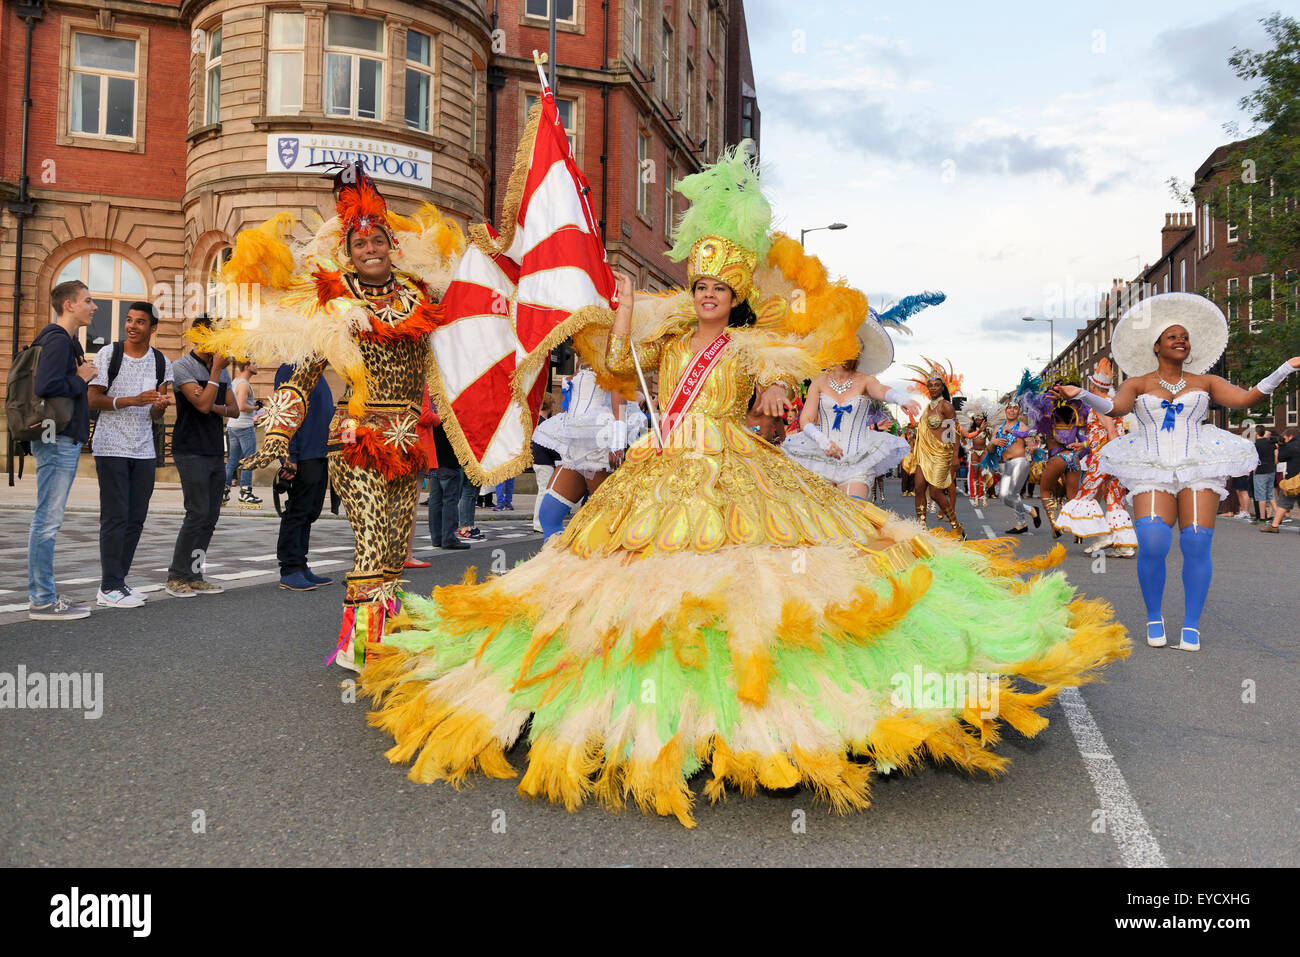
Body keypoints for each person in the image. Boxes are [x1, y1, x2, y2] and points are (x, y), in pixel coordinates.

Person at [357, 143, 1128, 827]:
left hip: (732, 467)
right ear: (691, 288)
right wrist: (624, 314)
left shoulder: (750, 346)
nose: (706, 296)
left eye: (718, 289)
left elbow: (778, 378)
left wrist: (771, 394)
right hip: (661, 467)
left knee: (750, 586)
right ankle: (637, 717)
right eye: (699, 286)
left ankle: (770, 720)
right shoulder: (661, 338)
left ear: (732, 297)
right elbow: (619, 373)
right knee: (636, 591)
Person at [205, 164, 467, 670]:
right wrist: (278, 435)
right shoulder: (333, 302)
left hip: (407, 441)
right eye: (359, 243)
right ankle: (362, 649)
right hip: (358, 441)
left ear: (391, 244)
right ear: (348, 251)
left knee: (392, 547)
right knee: (370, 540)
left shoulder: (421, 296)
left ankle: (376, 635)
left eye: (377, 241)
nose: (370, 249)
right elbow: (301, 376)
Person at [1056, 292, 1298, 651]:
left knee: (1196, 541)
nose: (1181, 340)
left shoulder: (1205, 382)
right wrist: (1082, 394)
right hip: (1151, 466)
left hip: (1196, 465)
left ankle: (1191, 624)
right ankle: (1154, 616)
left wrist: (1287, 367)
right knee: (1153, 542)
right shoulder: (1137, 383)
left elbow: (1247, 399)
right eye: (1173, 336)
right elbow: (1116, 408)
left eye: (1185, 336)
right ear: (1157, 346)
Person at [88, 300, 173, 607]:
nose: (132, 326)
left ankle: (118, 582)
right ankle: (108, 586)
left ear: (152, 328)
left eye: (139, 322)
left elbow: (154, 416)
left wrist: (157, 407)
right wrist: (131, 400)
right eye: (129, 320)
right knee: (115, 517)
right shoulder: (109, 354)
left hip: (144, 450)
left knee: (136, 518)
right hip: (110, 446)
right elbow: (92, 400)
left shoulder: (162, 362)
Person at [27, 280, 97, 621]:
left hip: (59, 437)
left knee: (48, 519)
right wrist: (81, 378)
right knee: (47, 521)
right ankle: (41, 599)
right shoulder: (57, 339)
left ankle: (45, 593)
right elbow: (46, 385)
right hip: (56, 440)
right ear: (69, 305)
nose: (94, 306)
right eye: (88, 300)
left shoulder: (66, 341)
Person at [780, 348, 916, 500]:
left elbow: (880, 389)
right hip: (820, 458)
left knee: (853, 511)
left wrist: (899, 398)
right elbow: (806, 420)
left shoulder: (866, 380)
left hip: (856, 462)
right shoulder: (819, 382)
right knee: (822, 514)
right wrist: (822, 441)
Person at [531, 360, 646, 540]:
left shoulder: (612, 357)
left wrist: (616, 443)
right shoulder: (583, 358)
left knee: (603, 520)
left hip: (600, 445)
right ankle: (559, 563)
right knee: (548, 515)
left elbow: (619, 406)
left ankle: (605, 565)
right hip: (575, 446)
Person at [167, 316, 237, 597]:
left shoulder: (222, 372)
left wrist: (210, 401)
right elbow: (203, 404)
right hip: (190, 449)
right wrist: (215, 376)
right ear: (197, 337)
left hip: (213, 449)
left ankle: (195, 574)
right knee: (196, 512)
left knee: (210, 515)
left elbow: (232, 410)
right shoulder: (182, 366)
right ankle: (176, 576)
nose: (218, 343)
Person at [1054, 361, 1137, 558]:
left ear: (1092, 386)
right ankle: (1124, 545)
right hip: (1111, 458)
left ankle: (1104, 537)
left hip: (1104, 458)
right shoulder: (1111, 404)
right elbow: (1102, 433)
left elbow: (1110, 431)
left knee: (1086, 495)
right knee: (1115, 500)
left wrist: (1114, 455)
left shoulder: (1100, 406)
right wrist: (1083, 445)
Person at [274, 362, 336, 590]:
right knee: (298, 511)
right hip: (303, 454)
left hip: (320, 451)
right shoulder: (290, 368)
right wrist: (289, 456)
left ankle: (301, 564)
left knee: (310, 511)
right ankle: (289, 569)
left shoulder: (317, 371)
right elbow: (285, 413)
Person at [985, 401, 1042, 535]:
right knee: (1005, 497)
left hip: (1020, 462)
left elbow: (1032, 446)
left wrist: (1031, 449)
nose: (1011, 411)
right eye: (1009, 408)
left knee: (1010, 494)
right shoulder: (997, 428)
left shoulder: (1023, 428)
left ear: (1019, 412)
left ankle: (1026, 516)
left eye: (1015, 408)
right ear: (1005, 411)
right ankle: (1024, 520)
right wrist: (993, 442)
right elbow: (989, 449)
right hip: (1005, 465)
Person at [426, 393, 470, 550]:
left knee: (435, 500)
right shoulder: (452, 412)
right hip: (450, 462)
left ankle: (437, 537)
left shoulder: (431, 410)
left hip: (434, 461)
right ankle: (449, 538)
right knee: (450, 500)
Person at [224, 361, 263, 507]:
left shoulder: (235, 381)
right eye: (254, 363)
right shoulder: (244, 384)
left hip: (233, 425)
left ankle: (223, 491)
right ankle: (246, 493)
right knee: (250, 459)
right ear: (247, 367)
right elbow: (240, 406)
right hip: (244, 427)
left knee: (232, 460)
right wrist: (255, 407)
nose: (257, 365)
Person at [1261, 427, 1300, 533]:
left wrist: (1281, 447)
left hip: (1293, 480)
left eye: (1285, 438)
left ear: (1290, 436)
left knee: (1283, 502)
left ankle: (1274, 526)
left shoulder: (1291, 446)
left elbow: (1281, 458)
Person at [530, 395, 559, 533]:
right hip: (543, 461)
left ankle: (541, 521)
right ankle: (538, 523)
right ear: (549, 405)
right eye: (553, 403)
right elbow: (544, 444)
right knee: (543, 491)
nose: (554, 405)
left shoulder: (541, 421)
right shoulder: (541, 422)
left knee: (544, 491)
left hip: (543, 461)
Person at [959, 412, 989, 506]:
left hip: (983, 452)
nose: (978, 421)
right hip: (974, 453)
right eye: (976, 419)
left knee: (983, 475)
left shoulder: (987, 430)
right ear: (974, 421)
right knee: (975, 476)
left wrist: (989, 448)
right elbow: (963, 437)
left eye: (980, 419)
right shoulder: (971, 430)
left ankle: (983, 497)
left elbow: (992, 440)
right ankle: (976, 497)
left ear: (983, 420)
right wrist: (968, 447)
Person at [1252, 427, 1277, 523]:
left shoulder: (1255, 445)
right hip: (1271, 469)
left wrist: (1254, 470)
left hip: (1260, 471)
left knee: (1260, 495)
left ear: (1256, 433)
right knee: (1270, 493)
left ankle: (1262, 517)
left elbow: (1254, 459)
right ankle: (1278, 513)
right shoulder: (1270, 442)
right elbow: (1276, 455)